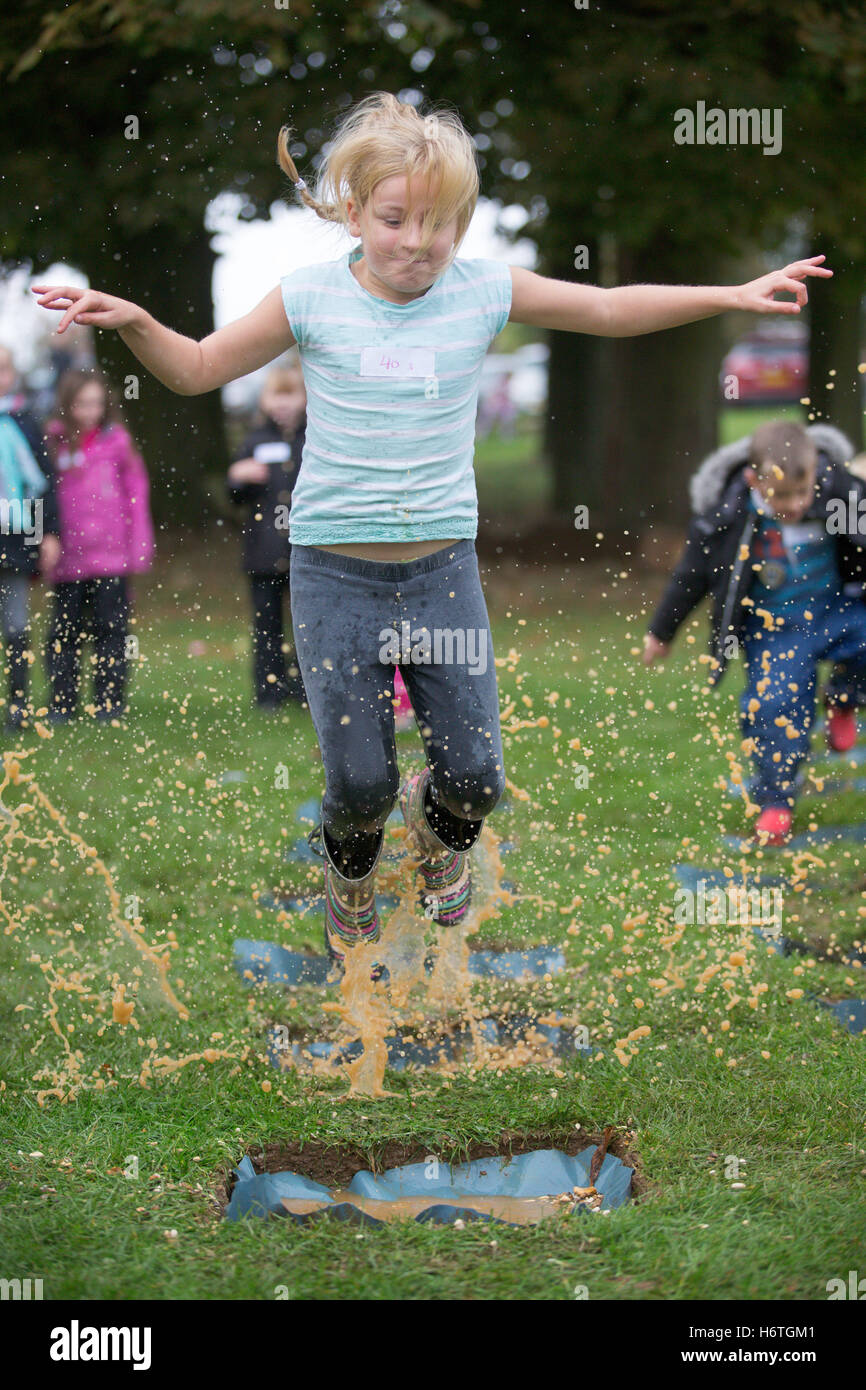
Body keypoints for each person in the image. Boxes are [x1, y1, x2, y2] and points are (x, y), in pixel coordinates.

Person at [31, 91, 832, 964]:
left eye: (439, 224)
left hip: (440, 574)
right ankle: (348, 877)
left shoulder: (483, 290)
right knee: (360, 785)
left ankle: (440, 840)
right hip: (335, 576)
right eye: (393, 219)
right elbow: (192, 370)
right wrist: (142, 324)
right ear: (351, 210)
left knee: (477, 777)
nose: (417, 243)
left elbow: (607, 308)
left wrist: (731, 293)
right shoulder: (308, 297)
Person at [644, 420, 866, 844]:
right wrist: (661, 632)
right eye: (779, 496)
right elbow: (691, 575)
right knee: (773, 708)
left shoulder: (841, 490)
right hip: (775, 629)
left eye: (802, 493)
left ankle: (844, 697)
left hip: (835, 609)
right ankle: (775, 802)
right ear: (753, 480)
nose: (794, 505)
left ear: (815, 472)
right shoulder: (727, 517)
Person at [43, 370, 154, 722]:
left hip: (112, 556)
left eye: (96, 403)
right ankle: (63, 703)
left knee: (112, 631)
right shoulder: (53, 442)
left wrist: (139, 544)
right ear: (67, 404)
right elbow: (42, 495)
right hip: (68, 557)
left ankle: (109, 702)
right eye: (82, 404)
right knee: (64, 632)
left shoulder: (117, 442)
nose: (90, 411)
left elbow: (136, 494)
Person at [226, 364, 307, 709]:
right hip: (263, 550)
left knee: (307, 625)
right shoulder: (254, 442)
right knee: (266, 625)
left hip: (306, 549)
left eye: (291, 395)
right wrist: (237, 476)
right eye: (277, 395)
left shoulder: (314, 440)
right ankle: (268, 690)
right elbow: (235, 496)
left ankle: (306, 689)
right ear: (264, 400)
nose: (283, 404)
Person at [0, 345, 61, 728]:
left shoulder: (24, 424)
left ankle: (17, 706)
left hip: (14, 538)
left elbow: (42, 486)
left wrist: (46, 534)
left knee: (16, 625)